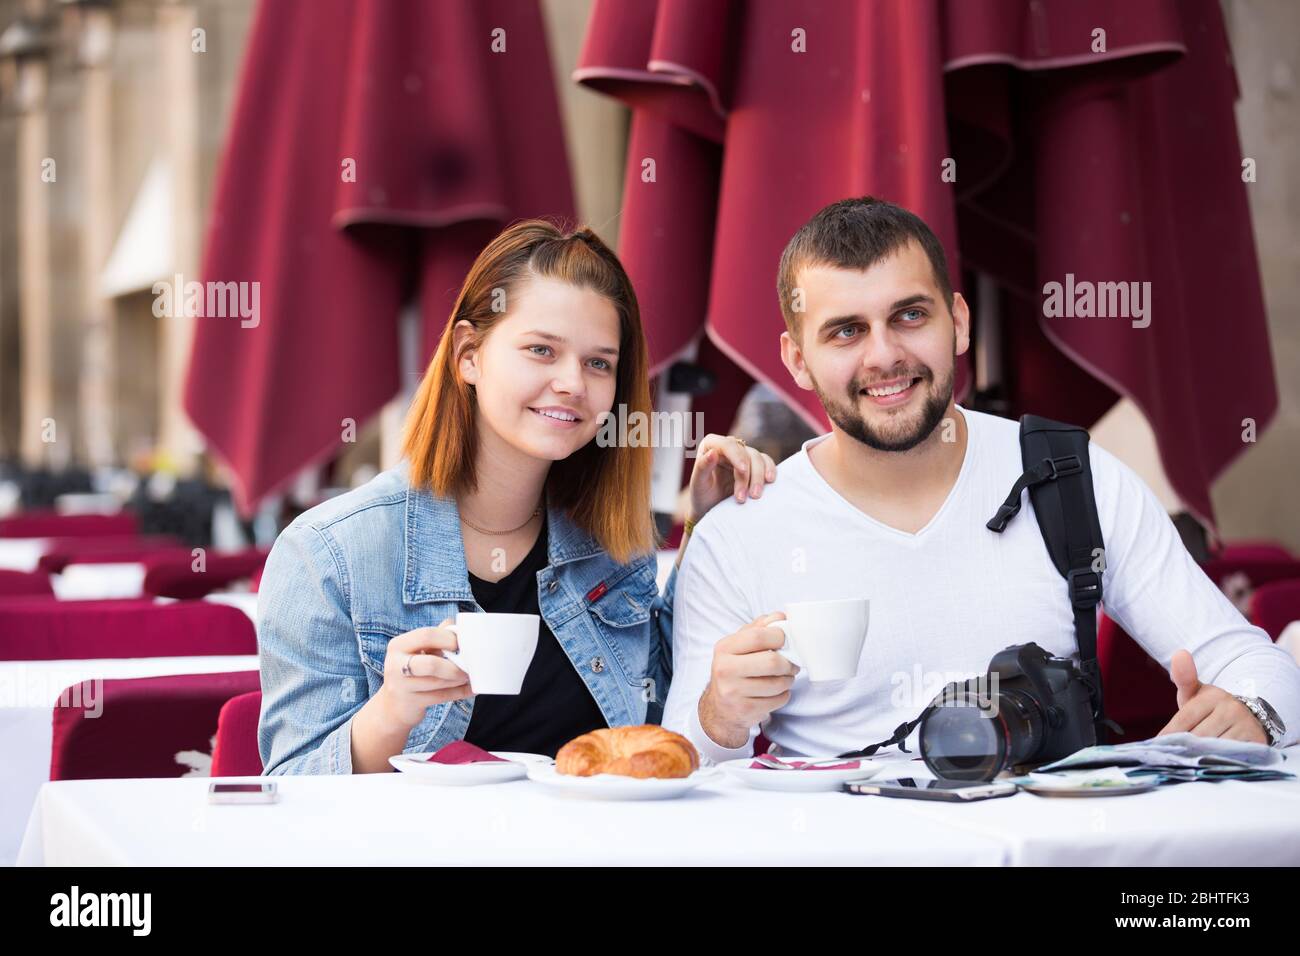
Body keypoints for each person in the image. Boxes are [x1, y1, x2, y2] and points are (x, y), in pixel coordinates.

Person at [663, 196, 1299, 763]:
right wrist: (720, 719)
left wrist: (1254, 713)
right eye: (847, 331)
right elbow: (681, 766)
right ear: (797, 360)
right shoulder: (740, 530)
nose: (883, 355)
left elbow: (1259, 665)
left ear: (959, 322)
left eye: (910, 316)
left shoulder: (1072, 478)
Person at [258, 220, 775, 774]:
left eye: (598, 362)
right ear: (468, 355)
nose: (573, 383)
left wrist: (707, 525)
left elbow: (665, 712)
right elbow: (291, 789)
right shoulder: (327, 554)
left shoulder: (612, 544)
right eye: (541, 350)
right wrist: (391, 713)